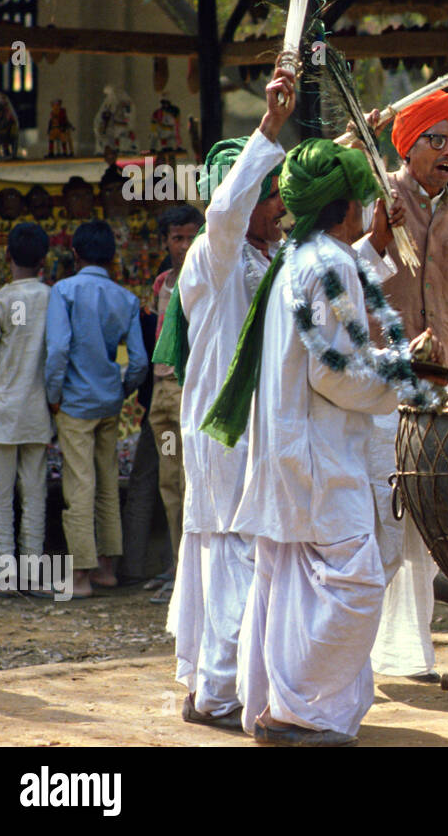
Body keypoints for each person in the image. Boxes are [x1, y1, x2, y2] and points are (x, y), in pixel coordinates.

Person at [208, 138, 428, 746]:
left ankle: (280, 706)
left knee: (287, 585)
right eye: (361, 199)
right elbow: (331, 371)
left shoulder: (300, 256)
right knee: (355, 583)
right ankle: (302, 715)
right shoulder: (324, 264)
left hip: (294, 448)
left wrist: (392, 358)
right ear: (346, 207)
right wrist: (403, 371)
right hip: (316, 455)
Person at [153, 66, 295, 729]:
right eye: (271, 194)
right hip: (222, 431)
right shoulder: (216, 255)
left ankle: (220, 683)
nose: (278, 206)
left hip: (256, 431)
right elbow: (229, 210)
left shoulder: (272, 256)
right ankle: (216, 694)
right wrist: (268, 125)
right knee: (231, 554)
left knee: (231, 555)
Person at [365, 91, 448, 681]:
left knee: (420, 519)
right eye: (435, 140)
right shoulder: (373, 193)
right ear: (406, 143)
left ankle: (406, 648)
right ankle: (354, 643)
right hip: (370, 385)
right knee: (373, 509)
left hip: (434, 391)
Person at [45, 220, 147, 598]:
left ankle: (79, 576)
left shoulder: (64, 291)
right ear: (113, 256)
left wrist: (53, 394)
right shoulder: (127, 299)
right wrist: (121, 390)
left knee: (79, 486)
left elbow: (57, 351)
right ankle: (107, 568)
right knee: (106, 482)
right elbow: (138, 362)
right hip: (109, 401)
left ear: (75, 254)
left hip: (74, 401)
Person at [0, 222, 51, 590]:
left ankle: (4, 576)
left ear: (7, 257)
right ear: (44, 260)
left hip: (2, 412)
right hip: (36, 411)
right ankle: (35, 574)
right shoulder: (53, 298)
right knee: (34, 494)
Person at [144, 204, 205, 605]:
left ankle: (191, 571)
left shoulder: (203, 277)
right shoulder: (162, 283)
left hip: (191, 390)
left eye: (189, 237)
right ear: (165, 241)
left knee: (191, 480)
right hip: (163, 396)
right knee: (169, 480)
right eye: (176, 238)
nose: (183, 246)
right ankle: (177, 562)